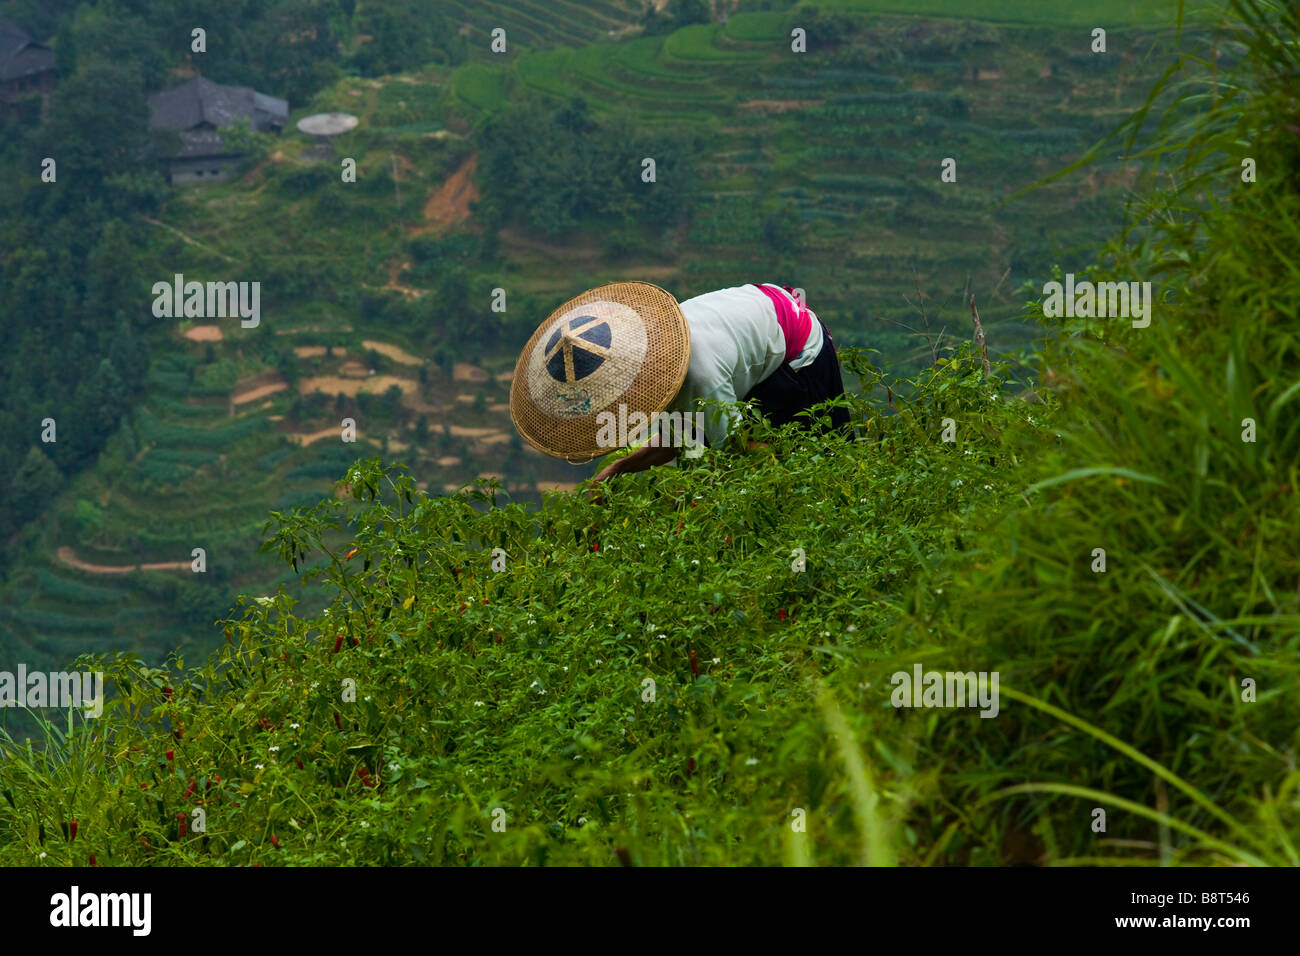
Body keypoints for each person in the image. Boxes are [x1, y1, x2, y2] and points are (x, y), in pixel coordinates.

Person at [592, 282, 850, 483]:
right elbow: (679, 434)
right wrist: (618, 469)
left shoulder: (699, 379)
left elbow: (735, 450)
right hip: (763, 312)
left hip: (801, 348)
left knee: (819, 461)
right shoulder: (662, 342)